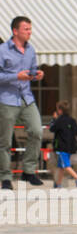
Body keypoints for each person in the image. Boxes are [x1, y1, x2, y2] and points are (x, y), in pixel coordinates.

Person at [0, 15, 45, 189]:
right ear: (15, 31)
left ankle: (28, 171)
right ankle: (5, 177)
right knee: (5, 141)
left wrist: (37, 74)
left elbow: (32, 71)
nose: (29, 32)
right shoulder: (3, 50)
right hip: (7, 100)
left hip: (27, 98)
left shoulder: (31, 50)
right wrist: (15, 76)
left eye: (30, 29)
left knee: (36, 131)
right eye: (26, 29)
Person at [48, 100, 77, 188]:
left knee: (66, 166)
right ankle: (58, 184)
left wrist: (54, 119)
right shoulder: (72, 120)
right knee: (61, 166)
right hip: (70, 147)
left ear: (60, 110)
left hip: (62, 147)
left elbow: (52, 129)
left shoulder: (59, 120)